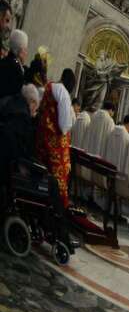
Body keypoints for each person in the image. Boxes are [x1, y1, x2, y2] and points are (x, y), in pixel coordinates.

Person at [33, 68, 76, 208]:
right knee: (60, 175)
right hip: (54, 143)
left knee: (41, 170)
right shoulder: (63, 93)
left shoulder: (49, 86)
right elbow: (64, 126)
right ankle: (58, 205)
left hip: (42, 137)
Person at [0, 27, 26, 99]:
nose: (26, 52)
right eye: (25, 49)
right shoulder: (17, 68)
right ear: (20, 50)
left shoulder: (4, 60)